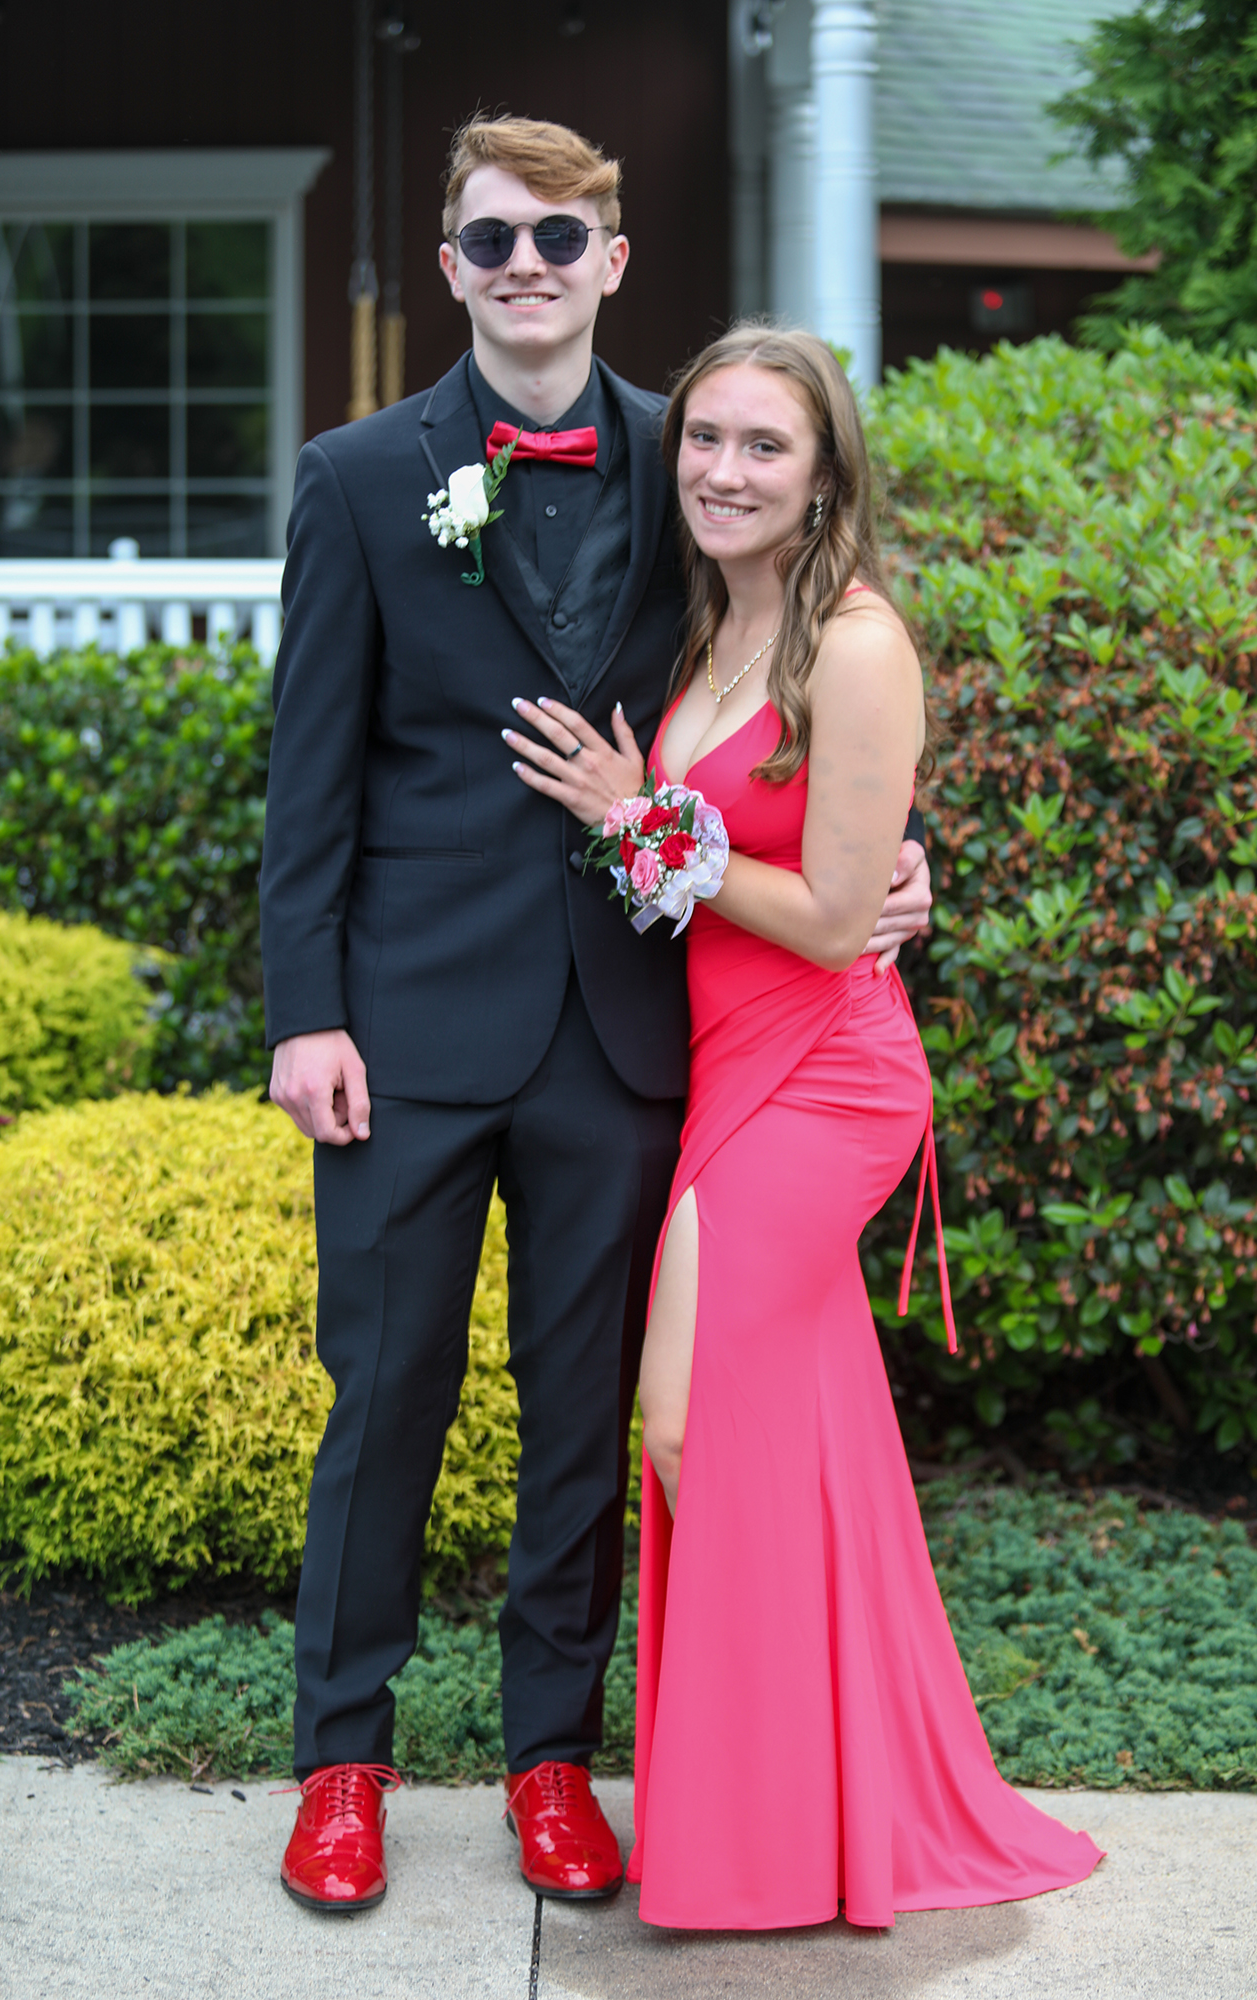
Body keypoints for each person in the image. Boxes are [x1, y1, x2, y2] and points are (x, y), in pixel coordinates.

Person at [260, 119, 933, 1916]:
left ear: (612, 261)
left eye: (561, 235)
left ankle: (551, 1758)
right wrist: (304, 1010)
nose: (528, 264)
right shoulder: (351, 477)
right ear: (453, 261)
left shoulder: (697, 458)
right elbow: (305, 783)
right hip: (402, 1030)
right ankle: (341, 1760)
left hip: (638, 1038)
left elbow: (789, 692)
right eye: (493, 239)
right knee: (380, 1402)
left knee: (588, 1418)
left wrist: (898, 861)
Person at [509, 325, 1103, 1929]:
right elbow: (713, 881)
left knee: (688, 1425)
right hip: (721, 1062)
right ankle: (811, 1803)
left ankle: (771, 1817)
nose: (720, 469)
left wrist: (640, 822)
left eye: (762, 445)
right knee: (789, 1437)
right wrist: (640, 831)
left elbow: (842, 920)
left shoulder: (851, 642)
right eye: (701, 439)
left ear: (825, 468)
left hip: (825, 1075)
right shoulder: (706, 631)